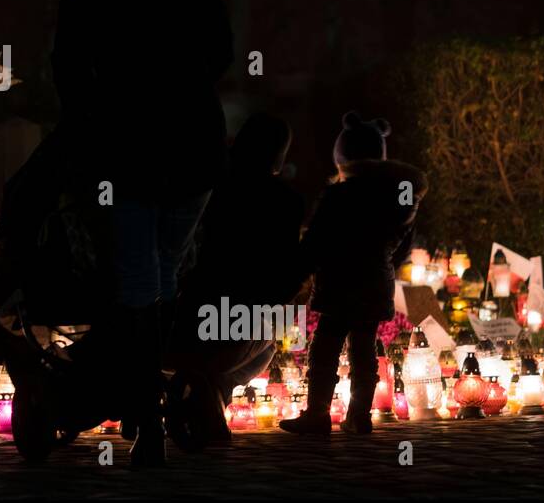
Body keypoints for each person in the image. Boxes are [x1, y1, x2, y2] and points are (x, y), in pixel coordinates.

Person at [51, 0, 234, 466]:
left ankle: (145, 417)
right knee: (161, 270)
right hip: (190, 146)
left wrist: (92, 118)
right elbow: (220, 56)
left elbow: (68, 67)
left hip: (120, 150)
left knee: (138, 276)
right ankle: (157, 401)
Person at [280, 112, 427, 436]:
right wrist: (384, 264)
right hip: (375, 282)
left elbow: (316, 242)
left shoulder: (340, 195)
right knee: (363, 347)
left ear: (343, 157)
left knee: (325, 347)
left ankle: (317, 412)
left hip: (339, 281)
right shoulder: (398, 199)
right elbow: (403, 247)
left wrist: (294, 278)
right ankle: (359, 414)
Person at [170, 113, 307, 440]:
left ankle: (208, 392)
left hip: (187, 313)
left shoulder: (210, 190)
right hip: (236, 321)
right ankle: (213, 391)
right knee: (272, 336)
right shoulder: (286, 202)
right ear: (279, 155)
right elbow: (285, 272)